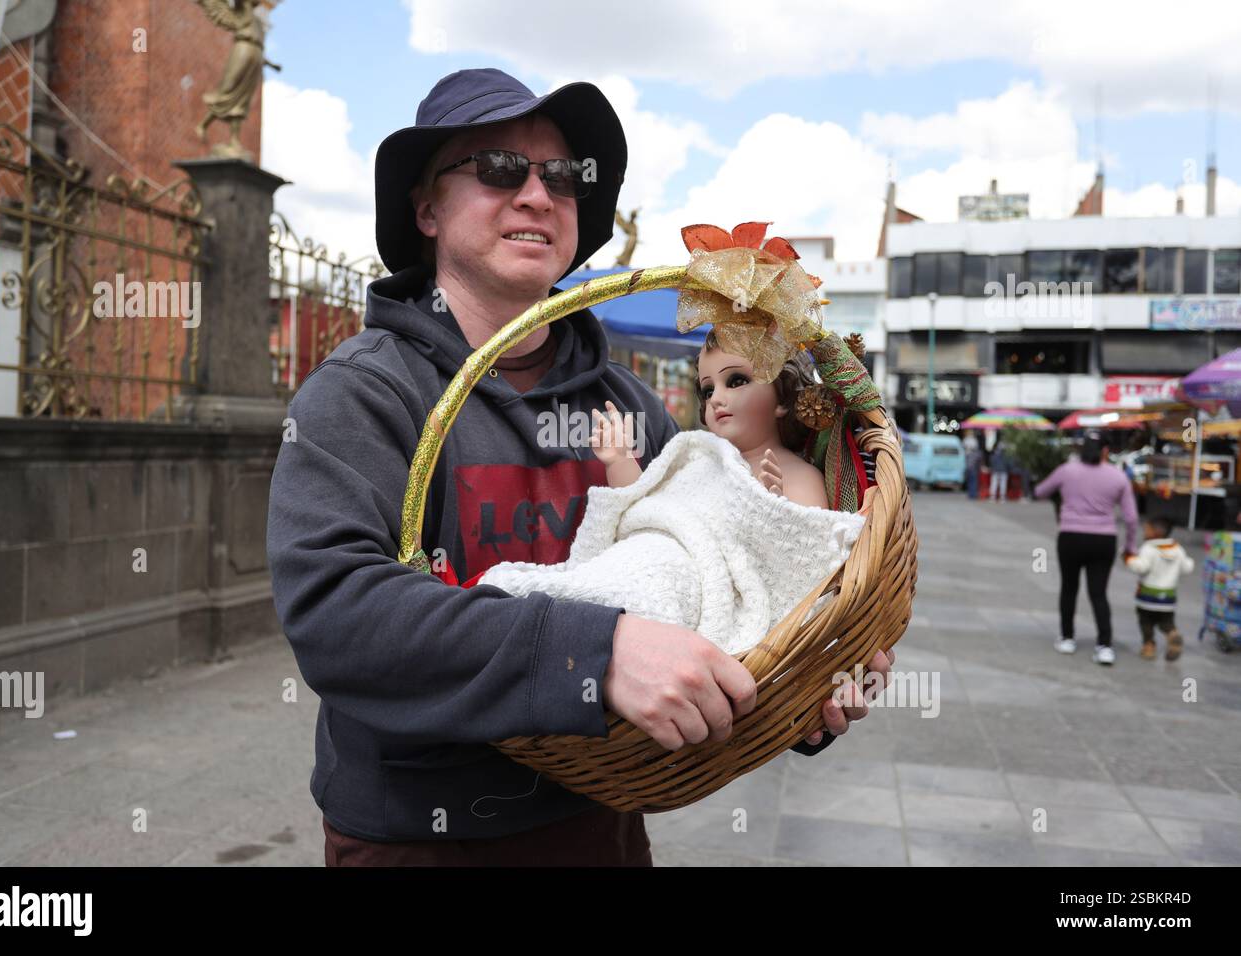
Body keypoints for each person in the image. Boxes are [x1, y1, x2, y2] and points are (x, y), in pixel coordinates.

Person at [266, 68, 892, 867]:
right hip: (415, 839)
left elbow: (725, 583)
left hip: (601, 824)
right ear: (426, 208)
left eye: (561, 175)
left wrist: (801, 686)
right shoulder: (360, 395)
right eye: (498, 167)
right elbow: (337, 616)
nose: (537, 193)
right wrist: (593, 654)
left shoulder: (635, 404)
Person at [1033, 432, 1139, 665]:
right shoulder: (1118, 477)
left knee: (1069, 588)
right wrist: (1130, 546)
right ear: (1105, 451)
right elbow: (1131, 518)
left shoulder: (1067, 470)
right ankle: (1104, 646)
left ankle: (1067, 638)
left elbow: (1040, 492)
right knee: (1098, 592)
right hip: (1104, 540)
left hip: (1070, 536)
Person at [1123, 516, 1194, 661]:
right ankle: (1172, 634)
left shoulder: (1149, 548)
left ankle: (1149, 646)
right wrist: (1189, 562)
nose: (1143, 532)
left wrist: (1128, 558)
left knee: (1146, 621)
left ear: (1155, 532)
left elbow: (1141, 567)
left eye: (1146, 529)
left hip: (1148, 595)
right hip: (1168, 597)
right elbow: (1187, 568)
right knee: (1166, 621)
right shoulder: (1177, 548)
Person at [964, 435, 982, 500]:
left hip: (969, 469)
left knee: (970, 482)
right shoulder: (977, 454)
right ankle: (973, 495)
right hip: (974, 469)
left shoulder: (968, 454)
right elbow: (979, 460)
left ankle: (970, 494)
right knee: (974, 482)